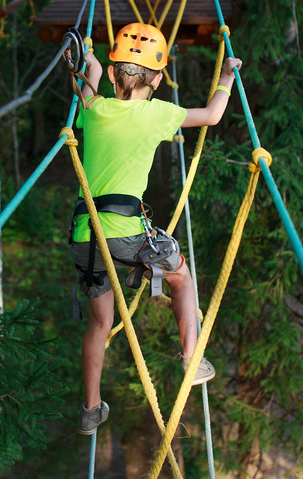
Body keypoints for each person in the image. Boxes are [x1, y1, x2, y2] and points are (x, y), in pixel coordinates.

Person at [70, 22, 242, 435]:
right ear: (159, 79)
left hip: (84, 240)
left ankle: (90, 410)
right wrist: (226, 77)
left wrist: (89, 64)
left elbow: (90, 88)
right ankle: (191, 359)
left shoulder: (93, 110)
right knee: (181, 277)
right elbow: (214, 115)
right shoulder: (158, 114)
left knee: (99, 323)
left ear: (114, 75)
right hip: (126, 235)